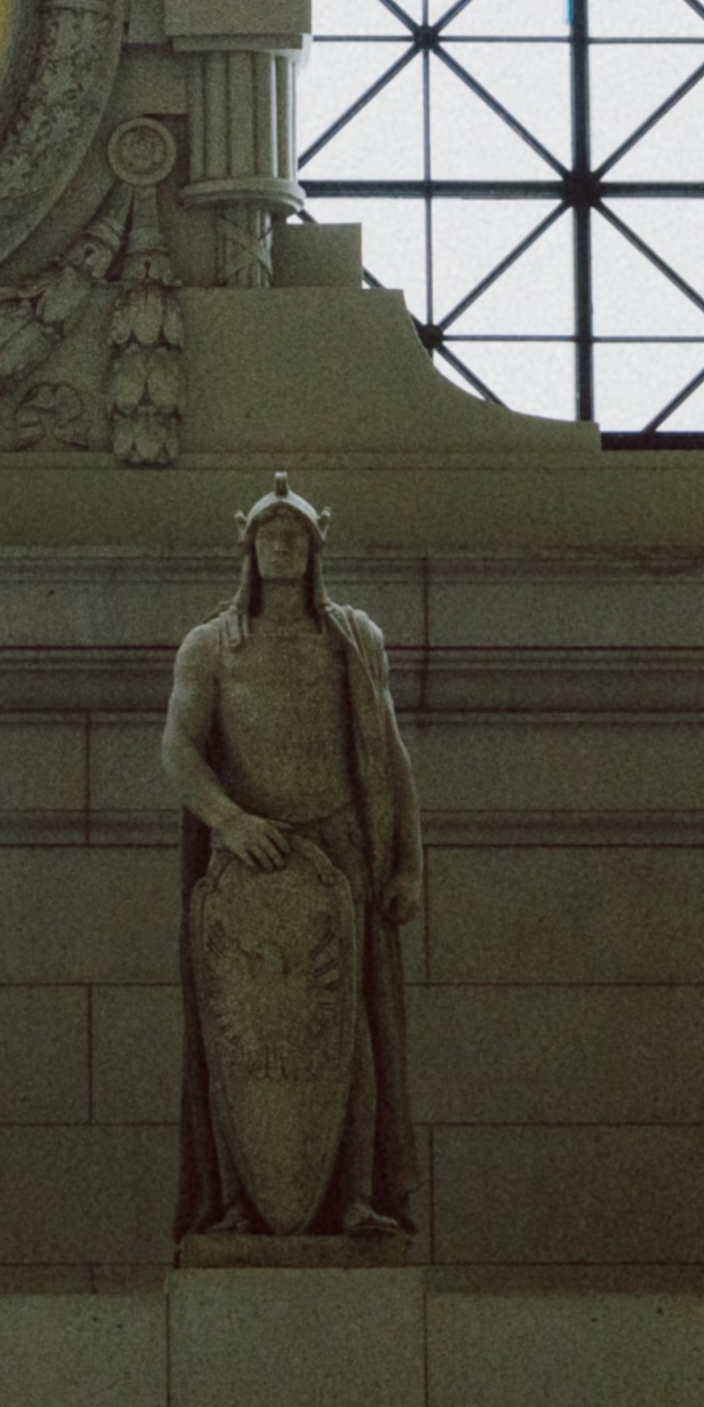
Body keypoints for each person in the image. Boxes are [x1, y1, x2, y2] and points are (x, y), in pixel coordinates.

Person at [160, 474, 425, 1249]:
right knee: (237, 1037)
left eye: (296, 537)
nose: (282, 547)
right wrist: (229, 820)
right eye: (269, 536)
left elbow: (390, 756)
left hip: (343, 854)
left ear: (314, 550)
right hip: (249, 863)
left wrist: (408, 862)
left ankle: (354, 1198)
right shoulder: (211, 645)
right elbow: (177, 747)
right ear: (249, 548)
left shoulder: (352, 638)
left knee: (353, 1037)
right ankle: (241, 1205)